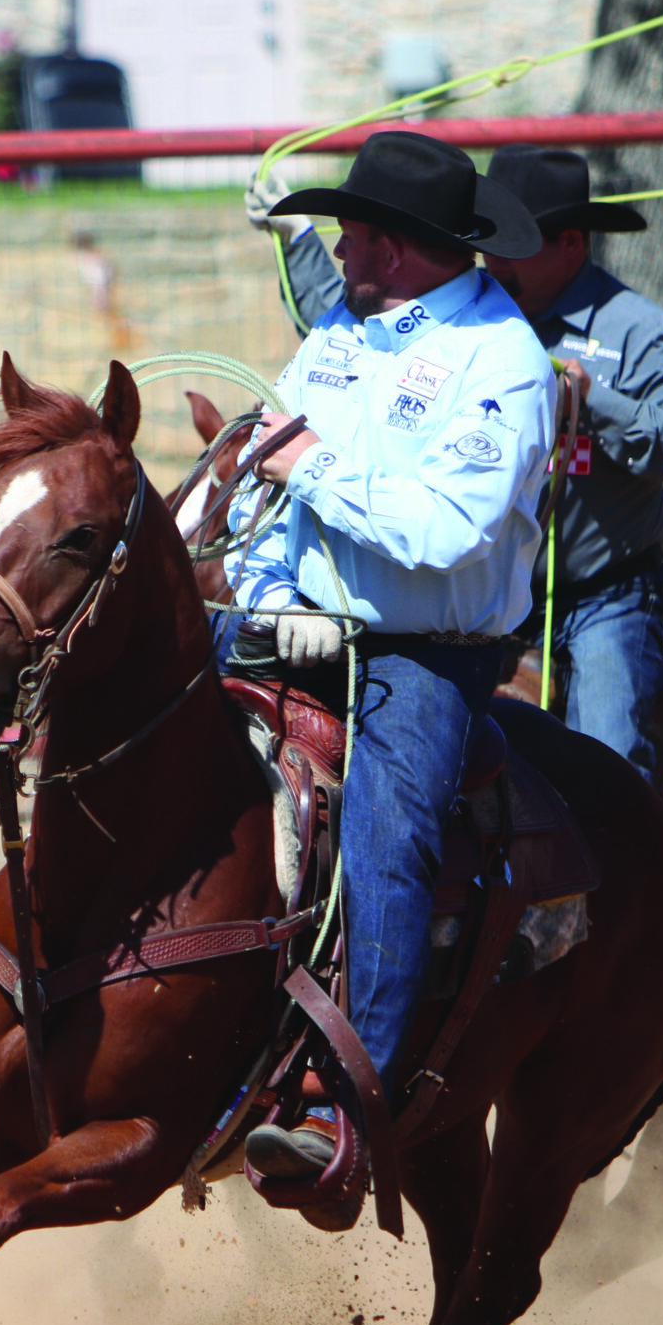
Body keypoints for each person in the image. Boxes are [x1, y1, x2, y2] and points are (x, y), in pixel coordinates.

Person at [225, 131, 555, 1181]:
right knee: (119, 699)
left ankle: (346, 1092)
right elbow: (265, 480)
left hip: (425, 654)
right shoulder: (340, 328)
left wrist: (312, 464)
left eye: (351, 232)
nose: (335, 247)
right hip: (295, 621)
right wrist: (269, 590)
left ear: (400, 249)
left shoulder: (501, 362)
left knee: (390, 827)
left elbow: (446, 530)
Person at [251, 144, 663, 784]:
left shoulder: (637, 331)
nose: (489, 261)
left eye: (511, 247)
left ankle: (628, 863)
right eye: (485, 243)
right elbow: (346, 319)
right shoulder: (456, 312)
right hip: (494, 588)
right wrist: (300, 240)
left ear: (571, 245)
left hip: (600, 585)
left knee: (605, 757)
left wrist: (600, 405)